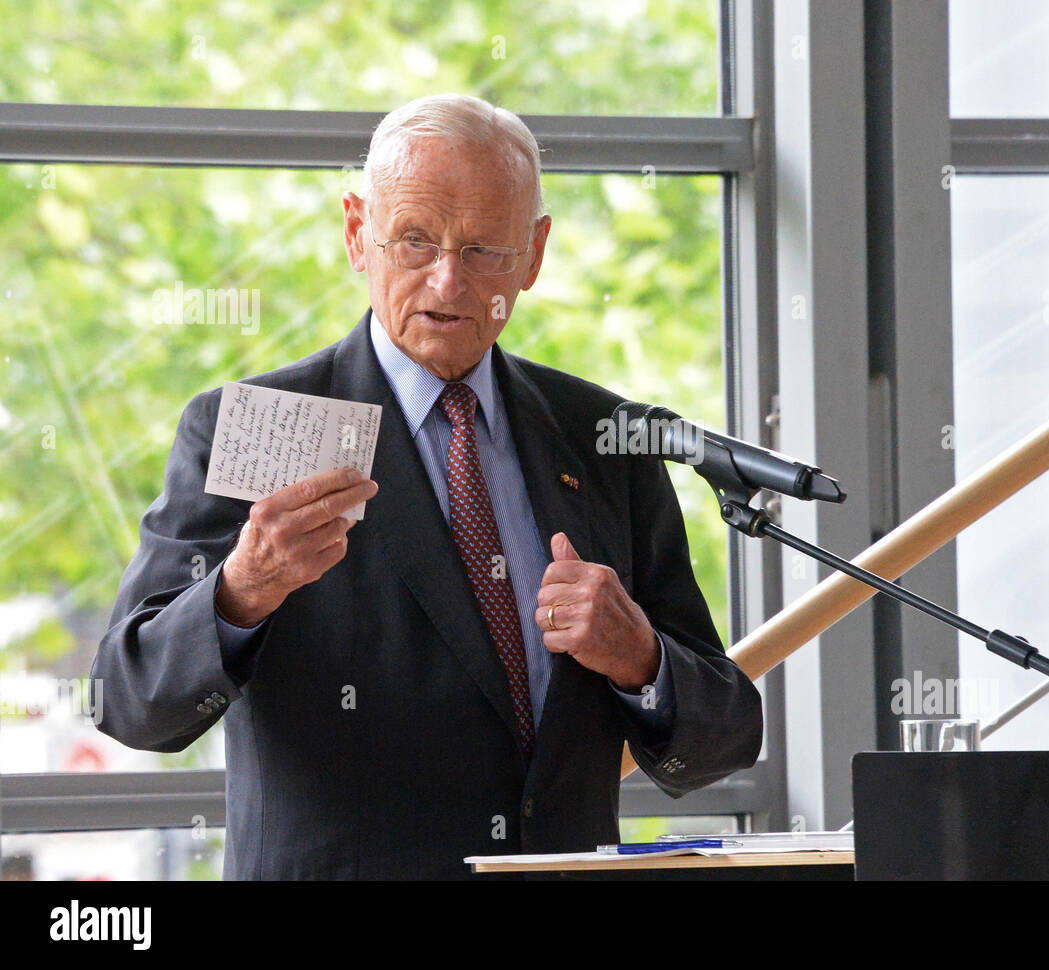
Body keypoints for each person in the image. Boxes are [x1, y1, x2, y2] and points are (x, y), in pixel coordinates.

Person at [91, 94, 763, 879]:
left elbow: (726, 735)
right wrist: (241, 590)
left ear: (535, 254)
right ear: (356, 234)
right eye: (415, 239)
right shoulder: (259, 428)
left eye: (485, 250)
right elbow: (130, 700)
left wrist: (641, 658)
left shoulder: (607, 436)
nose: (448, 281)